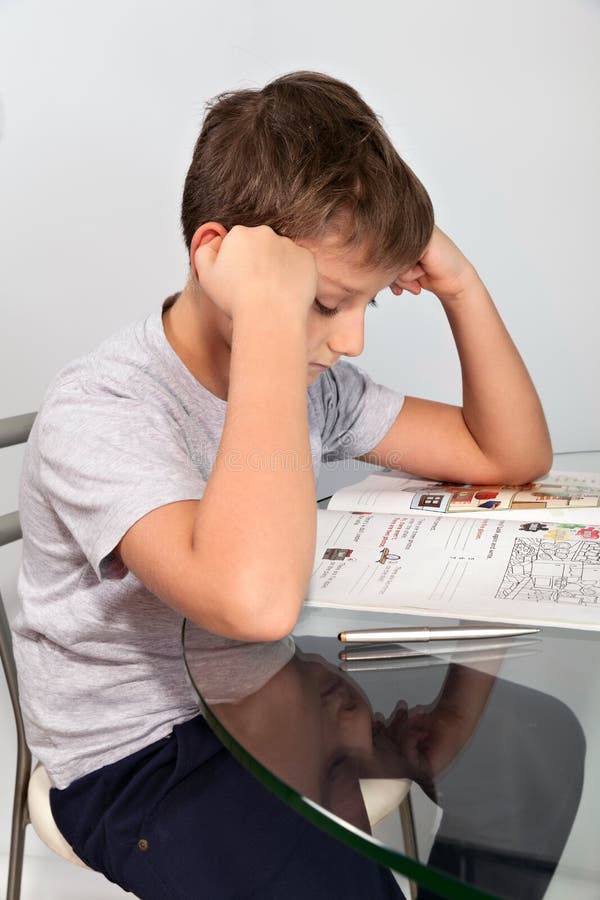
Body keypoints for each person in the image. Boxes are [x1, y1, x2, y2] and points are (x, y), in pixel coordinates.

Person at [12, 70, 552, 898]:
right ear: (220, 259)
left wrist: (459, 285)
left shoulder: (306, 383)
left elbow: (506, 452)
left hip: (274, 691)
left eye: (368, 303)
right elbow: (254, 602)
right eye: (327, 303)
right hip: (143, 754)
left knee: (535, 764)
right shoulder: (102, 411)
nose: (354, 339)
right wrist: (271, 314)